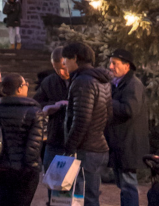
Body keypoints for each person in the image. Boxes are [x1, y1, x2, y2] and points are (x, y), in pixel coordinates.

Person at [0, 73, 45, 206]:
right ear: (19, 89)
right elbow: (33, 146)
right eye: (25, 84)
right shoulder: (35, 112)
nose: (27, 86)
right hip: (24, 172)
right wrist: (31, 170)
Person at [63, 42, 113, 206]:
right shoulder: (102, 81)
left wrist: (70, 146)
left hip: (86, 149)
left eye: (66, 59)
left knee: (82, 198)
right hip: (98, 147)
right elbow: (109, 114)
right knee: (91, 195)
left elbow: (81, 119)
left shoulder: (83, 82)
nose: (64, 63)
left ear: (75, 58)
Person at [106, 49, 149, 206]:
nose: (110, 67)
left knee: (128, 186)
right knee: (124, 185)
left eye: (114, 63)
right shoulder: (119, 84)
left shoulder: (133, 84)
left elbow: (129, 109)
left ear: (127, 66)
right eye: (110, 63)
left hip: (128, 144)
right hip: (121, 143)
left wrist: (107, 101)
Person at [33, 47, 70, 172]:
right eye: (56, 69)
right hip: (54, 137)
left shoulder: (81, 81)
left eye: (64, 68)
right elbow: (37, 103)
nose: (61, 72)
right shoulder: (49, 82)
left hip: (74, 139)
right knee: (52, 177)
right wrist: (53, 105)